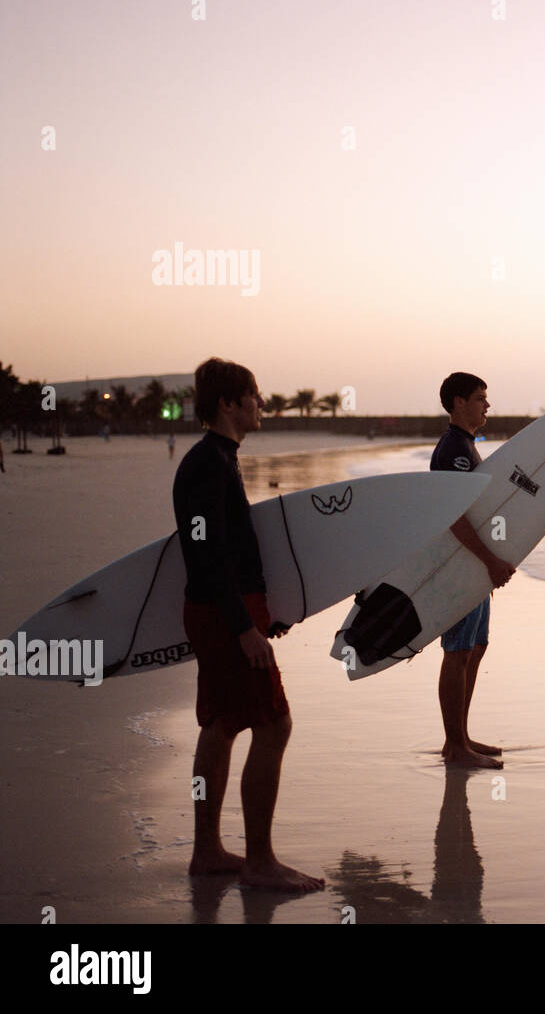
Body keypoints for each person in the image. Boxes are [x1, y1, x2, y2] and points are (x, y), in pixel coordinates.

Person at [172, 357, 323, 892]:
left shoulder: (217, 459)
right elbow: (205, 553)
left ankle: (207, 851)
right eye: (254, 395)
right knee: (273, 723)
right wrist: (244, 627)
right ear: (229, 403)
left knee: (221, 724)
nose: (262, 404)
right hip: (223, 616)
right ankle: (259, 860)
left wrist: (263, 614)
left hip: (225, 612)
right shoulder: (209, 465)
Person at [431, 372, 515, 769]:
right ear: (459, 402)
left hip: (473, 568)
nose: (487, 405)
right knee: (457, 651)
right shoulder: (454, 451)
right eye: (481, 398)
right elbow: (455, 517)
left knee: (475, 648)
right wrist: (490, 561)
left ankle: (460, 737)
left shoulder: (466, 446)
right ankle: (455, 746)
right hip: (460, 566)